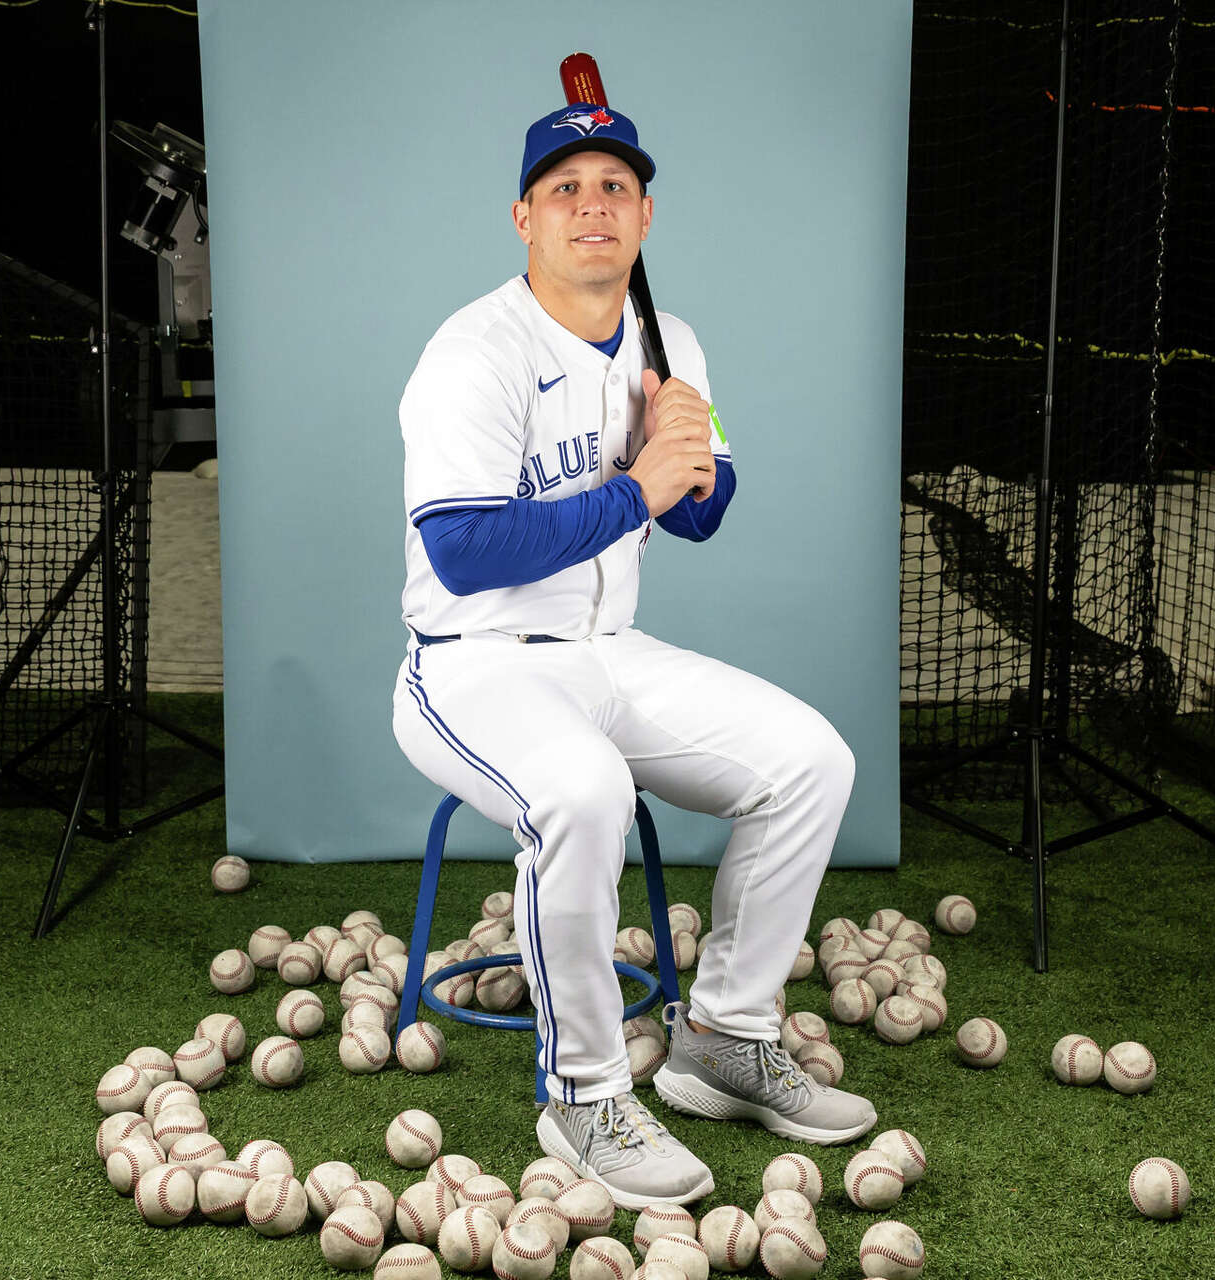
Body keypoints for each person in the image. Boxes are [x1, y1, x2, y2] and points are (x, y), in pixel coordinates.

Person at [389, 97, 875, 1210]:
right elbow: (463, 552)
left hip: (611, 650)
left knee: (813, 759)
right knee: (583, 791)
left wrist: (691, 453)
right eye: (566, 188)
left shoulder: (673, 340)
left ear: (645, 214)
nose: (591, 206)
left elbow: (699, 513)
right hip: (474, 662)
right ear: (524, 217)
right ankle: (585, 1091)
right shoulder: (473, 351)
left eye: (613, 187)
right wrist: (635, 487)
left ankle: (725, 1037)